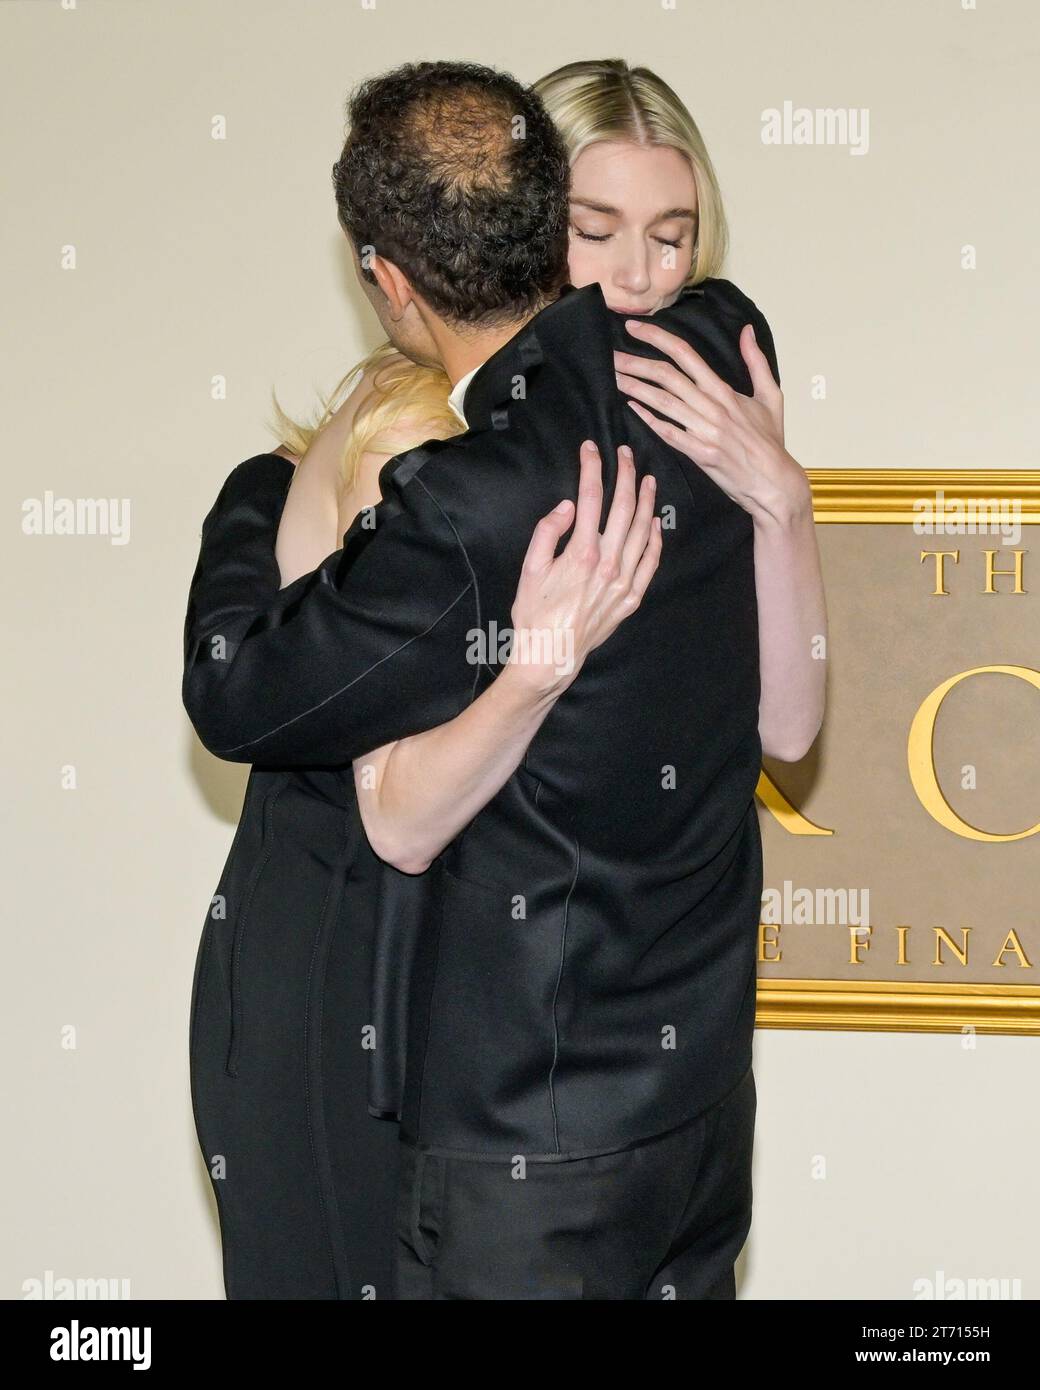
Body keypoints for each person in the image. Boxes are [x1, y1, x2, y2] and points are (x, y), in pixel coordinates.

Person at [185, 58, 825, 1300]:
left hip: (571, 1126)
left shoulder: (595, 441)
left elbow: (784, 724)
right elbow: (783, 726)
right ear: (533, 228)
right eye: (594, 231)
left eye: (669, 235)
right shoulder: (467, 438)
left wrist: (784, 504)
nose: (638, 276)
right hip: (579, 1090)